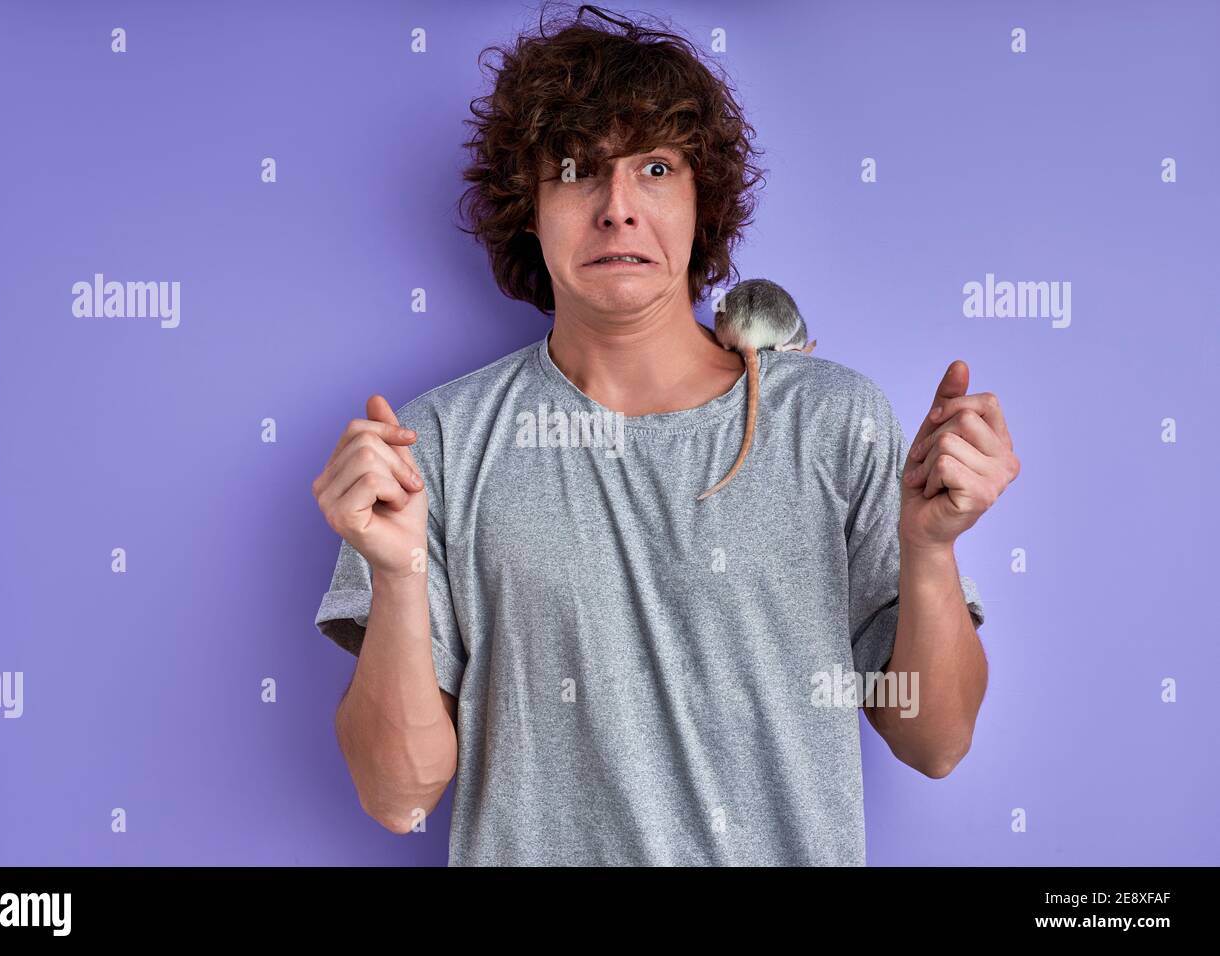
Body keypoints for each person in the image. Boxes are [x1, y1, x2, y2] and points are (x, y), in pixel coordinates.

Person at [310, 4, 1018, 866]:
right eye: (576, 173)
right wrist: (396, 571)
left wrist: (931, 549)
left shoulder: (834, 420)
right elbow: (398, 794)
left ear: (700, 203)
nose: (617, 208)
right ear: (527, 209)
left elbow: (934, 741)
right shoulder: (433, 449)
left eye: (654, 167)